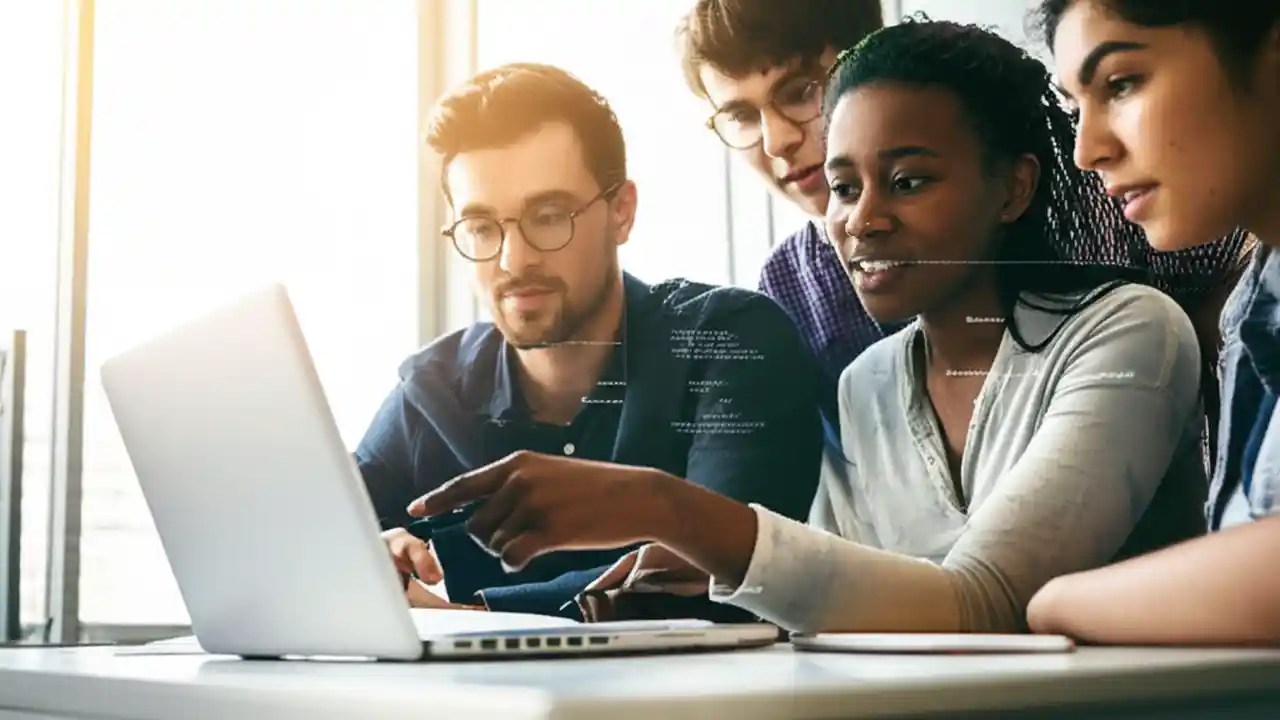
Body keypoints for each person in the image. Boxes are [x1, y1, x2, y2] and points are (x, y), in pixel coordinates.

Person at [405, 20, 1211, 634]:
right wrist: (705, 567)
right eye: (843, 187)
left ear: (1012, 188)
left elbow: (984, 602)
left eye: (909, 181)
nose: (862, 219)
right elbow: (838, 600)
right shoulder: (869, 383)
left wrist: (672, 510)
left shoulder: (1129, 336)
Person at [355, 63, 822, 618]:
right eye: (480, 228)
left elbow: (725, 578)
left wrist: (467, 620)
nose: (514, 261)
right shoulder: (432, 390)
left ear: (621, 212)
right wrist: (374, 557)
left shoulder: (729, 343)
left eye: (549, 216)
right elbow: (319, 546)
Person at [1025, 0, 1280, 645]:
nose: (1087, 151)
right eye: (1075, 109)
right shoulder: (1253, 311)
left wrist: (1055, 604)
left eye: (1121, 84)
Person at [675, 0, 890, 425]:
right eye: (741, 115)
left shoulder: (993, 218)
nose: (777, 141)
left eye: (800, 92)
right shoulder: (783, 287)